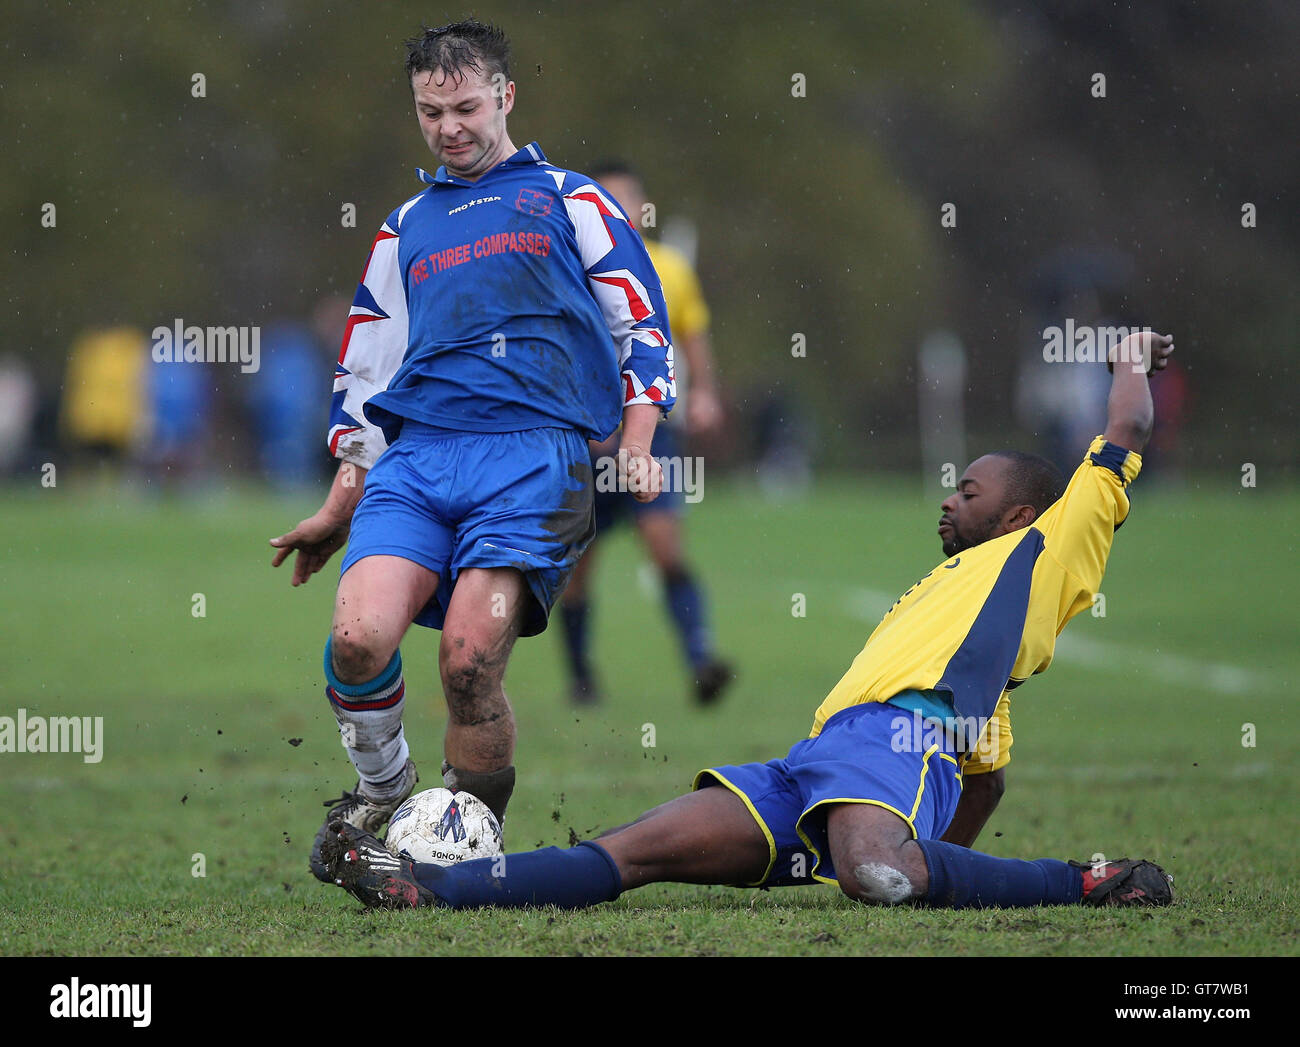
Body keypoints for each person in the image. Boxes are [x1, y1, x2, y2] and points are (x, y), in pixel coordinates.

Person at [319, 331, 1177, 911]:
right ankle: (426, 886)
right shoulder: (957, 600)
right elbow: (984, 780)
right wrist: (930, 855)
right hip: (816, 761)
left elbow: (1127, 426)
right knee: (632, 851)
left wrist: (1131, 357)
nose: (949, 499)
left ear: (1024, 514)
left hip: (893, 747)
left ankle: (1085, 880)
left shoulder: (1054, 544)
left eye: (970, 491)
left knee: (876, 868)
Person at [268, 20, 676, 883]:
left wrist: (638, 439)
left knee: (467, 659)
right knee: (356, 638)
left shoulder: (572, 200)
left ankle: (461, 855)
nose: (448, 126)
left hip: (534, 463)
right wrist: (340, 501)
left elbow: (641, 321)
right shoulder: (404, 227)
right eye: (429, 111)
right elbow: (365, 374)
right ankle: (382, 801)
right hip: (420, 465)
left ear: (505, 97)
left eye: (463, 107)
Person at [557, 161, 733, 706]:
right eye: (607, 200)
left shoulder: (671, 267)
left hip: (654, 435)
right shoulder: (568, 265)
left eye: (628, 198)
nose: (619, 209)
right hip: (586, 441)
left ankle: (701, 658)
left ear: (642, 204)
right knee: (577, 567)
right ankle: (582, 677)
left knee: (664, 546)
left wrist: (703, 393)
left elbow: (693, 337)